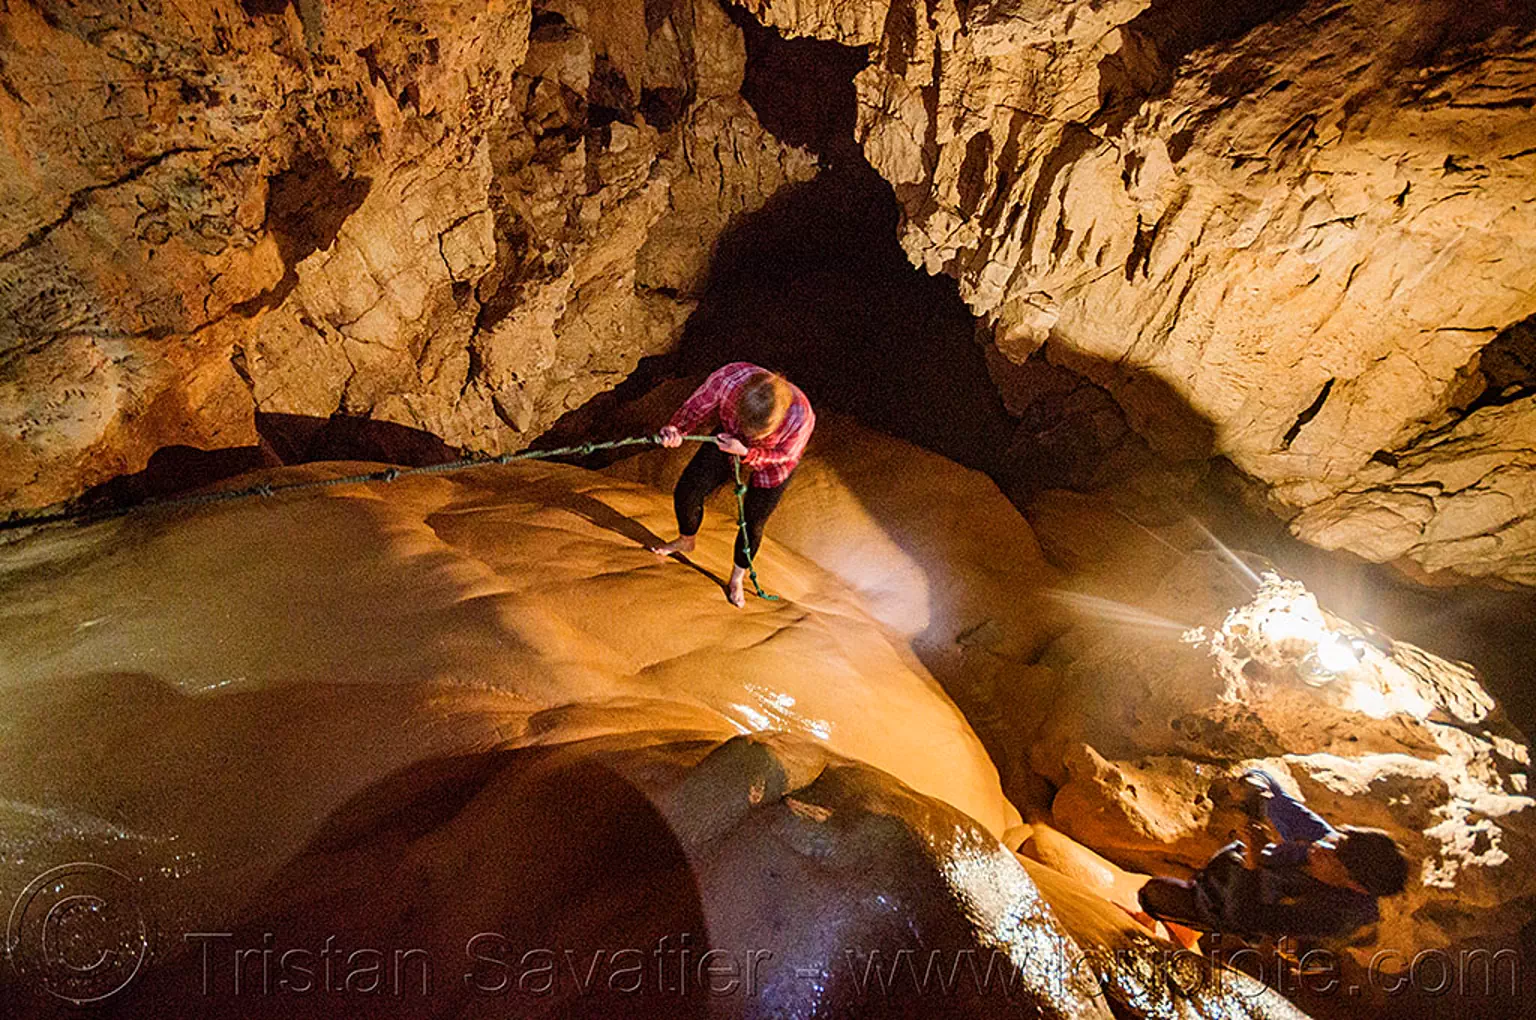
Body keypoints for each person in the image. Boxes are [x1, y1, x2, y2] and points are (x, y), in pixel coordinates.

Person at [1137, 769, 1409, 941]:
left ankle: (1186, 927)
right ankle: (1176, 924)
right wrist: (1256, 785)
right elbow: (1275, 795)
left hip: (1227, 904)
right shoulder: (1326, 839)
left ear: (1354, 885)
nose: (1323, 846)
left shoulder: (1333, 916)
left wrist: (1252, 863)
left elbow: (1244, 917)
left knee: (1154, 892)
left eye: (1333, 857)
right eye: (1335, 839)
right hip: (1228, 871)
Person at [650, 363, 815, 607]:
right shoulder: (727, 379)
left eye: (755, 432)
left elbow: (785, 455)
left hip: (771, 459)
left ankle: (737, 578)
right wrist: (676, 429)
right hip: (729, 436)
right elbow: (694, 408)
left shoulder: (800, 416)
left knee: (753, 522)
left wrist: (748, 451)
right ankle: (686, 540)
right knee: (688, 490)